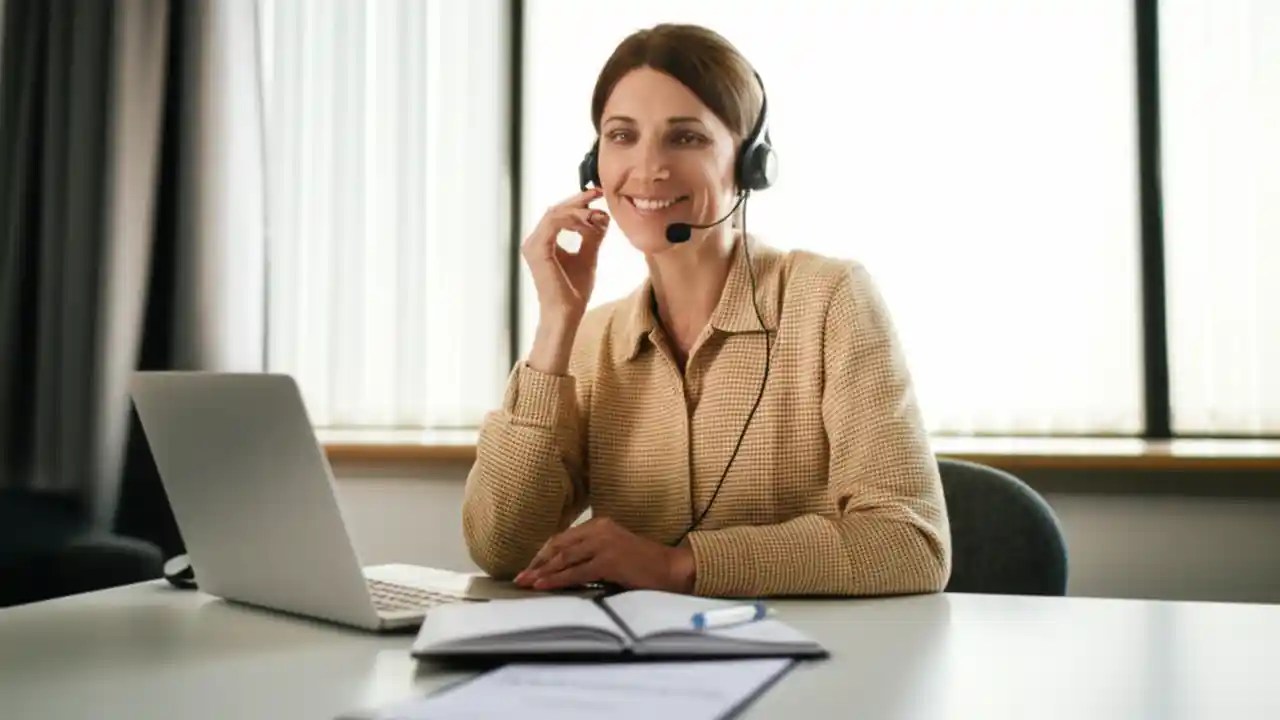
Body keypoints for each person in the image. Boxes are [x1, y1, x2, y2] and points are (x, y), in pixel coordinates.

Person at [461, 23, 951, 598]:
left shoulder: (829, 301)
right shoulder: (593, 341)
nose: (647, 168)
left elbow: (911, 544)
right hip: (634, 674)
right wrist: (555, 324)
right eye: (622, 136)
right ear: (594, 164)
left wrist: (678, 565)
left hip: (808, 669)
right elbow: (500, 549)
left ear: (749, 165)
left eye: (685, 138)